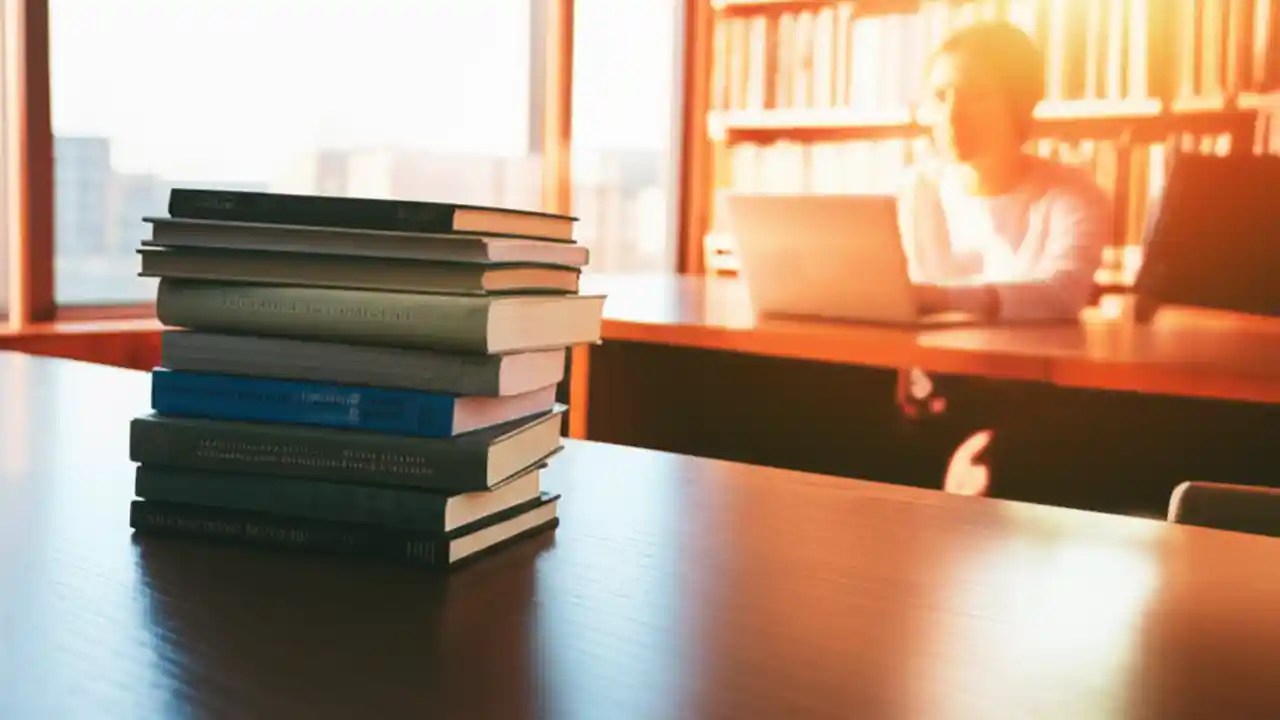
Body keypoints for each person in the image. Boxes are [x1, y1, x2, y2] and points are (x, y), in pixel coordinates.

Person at [887, 21, 1114, 503]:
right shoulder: (915, 191)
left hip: (1031, 405)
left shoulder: (1074, 195)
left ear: (1019, 102)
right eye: (940, 95)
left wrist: (939, 298)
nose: (952, 115)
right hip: (928, 390)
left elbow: (1060, 292)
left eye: (975, 96)